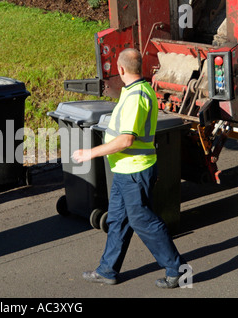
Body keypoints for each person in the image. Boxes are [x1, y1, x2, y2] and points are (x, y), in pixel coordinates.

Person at [72, 48, 186, 288]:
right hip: (126, 170)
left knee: (143, 220)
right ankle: (107, 270)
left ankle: (177, 270)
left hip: (134, 171)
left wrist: (89, 153)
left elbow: (126, 140)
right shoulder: (138, 90)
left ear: (121, 69)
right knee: (117, 220)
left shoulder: (136, 97)